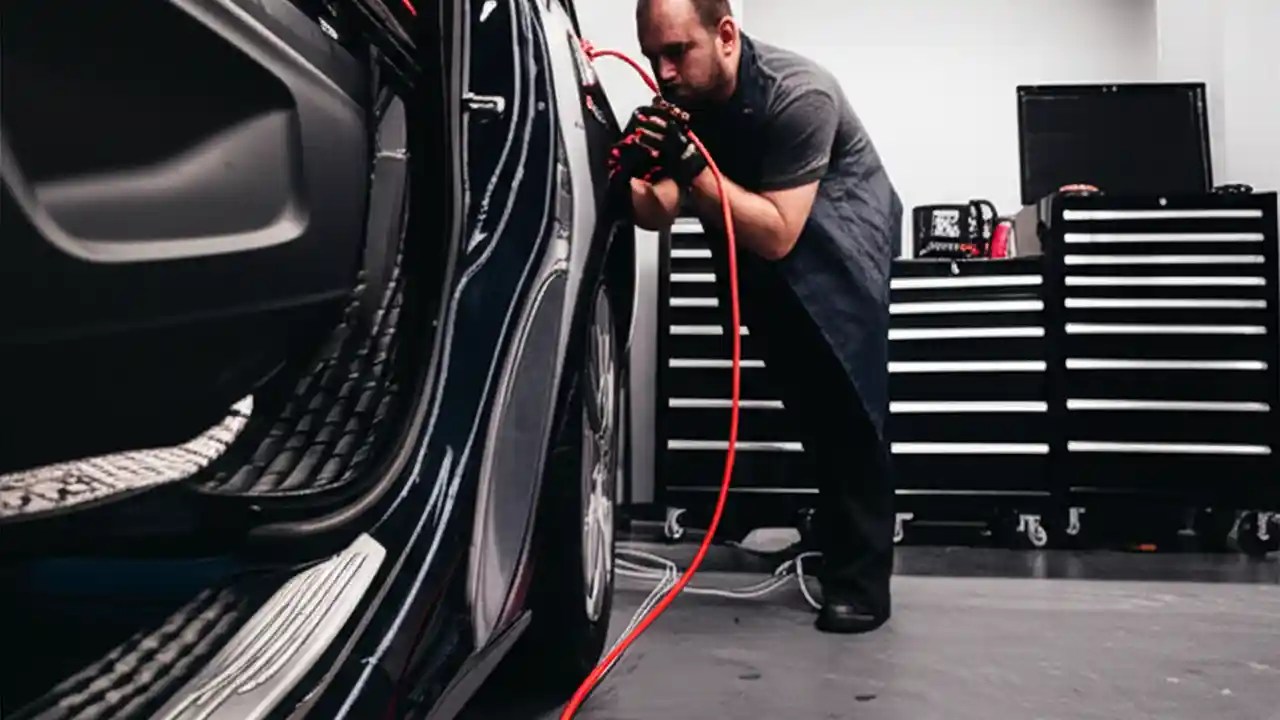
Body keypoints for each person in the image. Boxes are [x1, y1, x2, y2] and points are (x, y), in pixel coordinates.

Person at [609, 0, 902, 634]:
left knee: (850, 408)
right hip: (767, 252)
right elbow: (658, 210)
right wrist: (626, 176)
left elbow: (777, 234)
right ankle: (836, 541)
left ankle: (863, 582)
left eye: (676, 52)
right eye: (652, 54)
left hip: (839, 244)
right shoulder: (684, 103)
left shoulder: (802, 95)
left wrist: (691, 166)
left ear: (725, 35)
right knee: (809, 408)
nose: (662, 72)